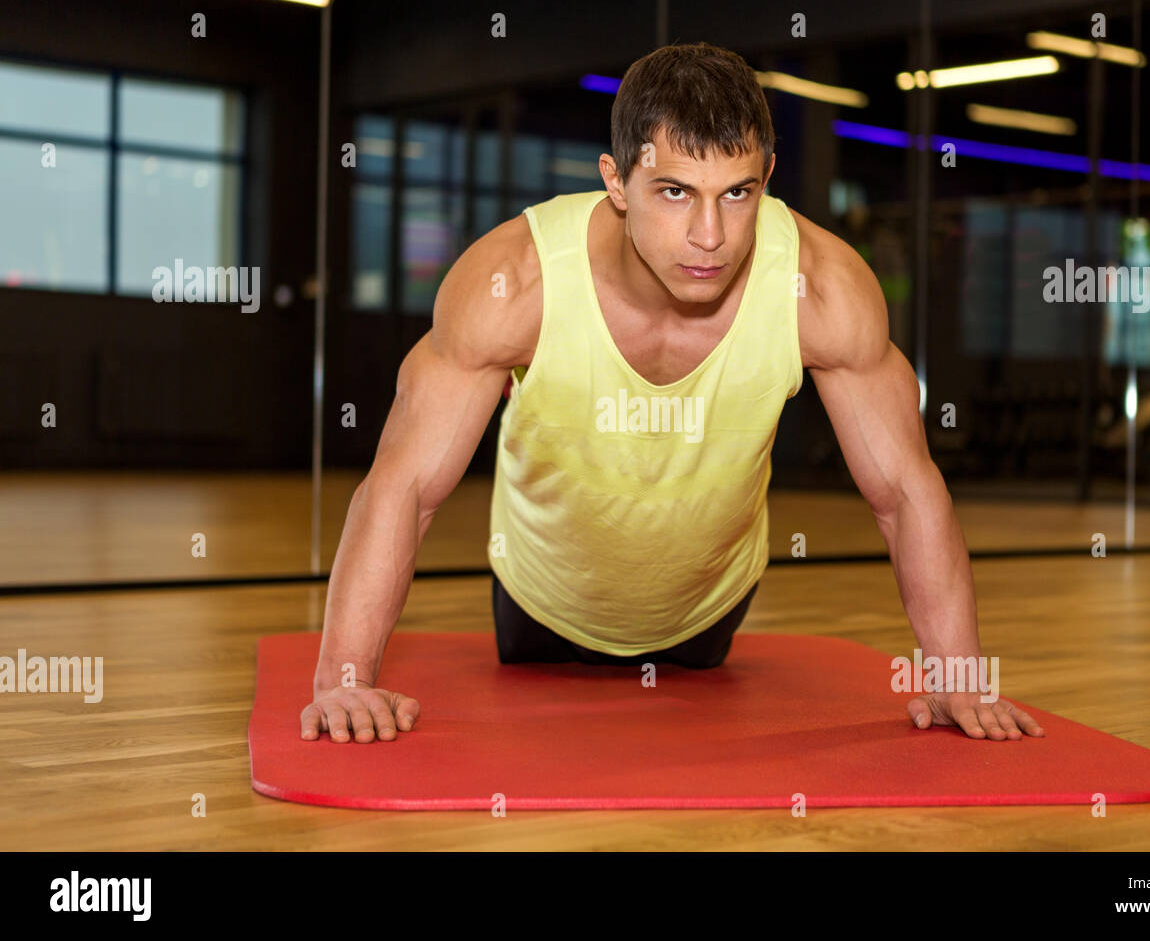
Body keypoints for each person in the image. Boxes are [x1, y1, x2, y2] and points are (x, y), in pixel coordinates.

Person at [300, 42, 1044, 745]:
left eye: (737, 193)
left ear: (769, 177)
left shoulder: (819, 287)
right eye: (675, 192)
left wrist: (956, 677)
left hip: (710, 609)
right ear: (616, 181)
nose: (710, 235)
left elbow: (906, 490)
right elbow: (403, 486)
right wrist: (344, 678)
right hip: (541, 601)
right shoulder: (514, 283)